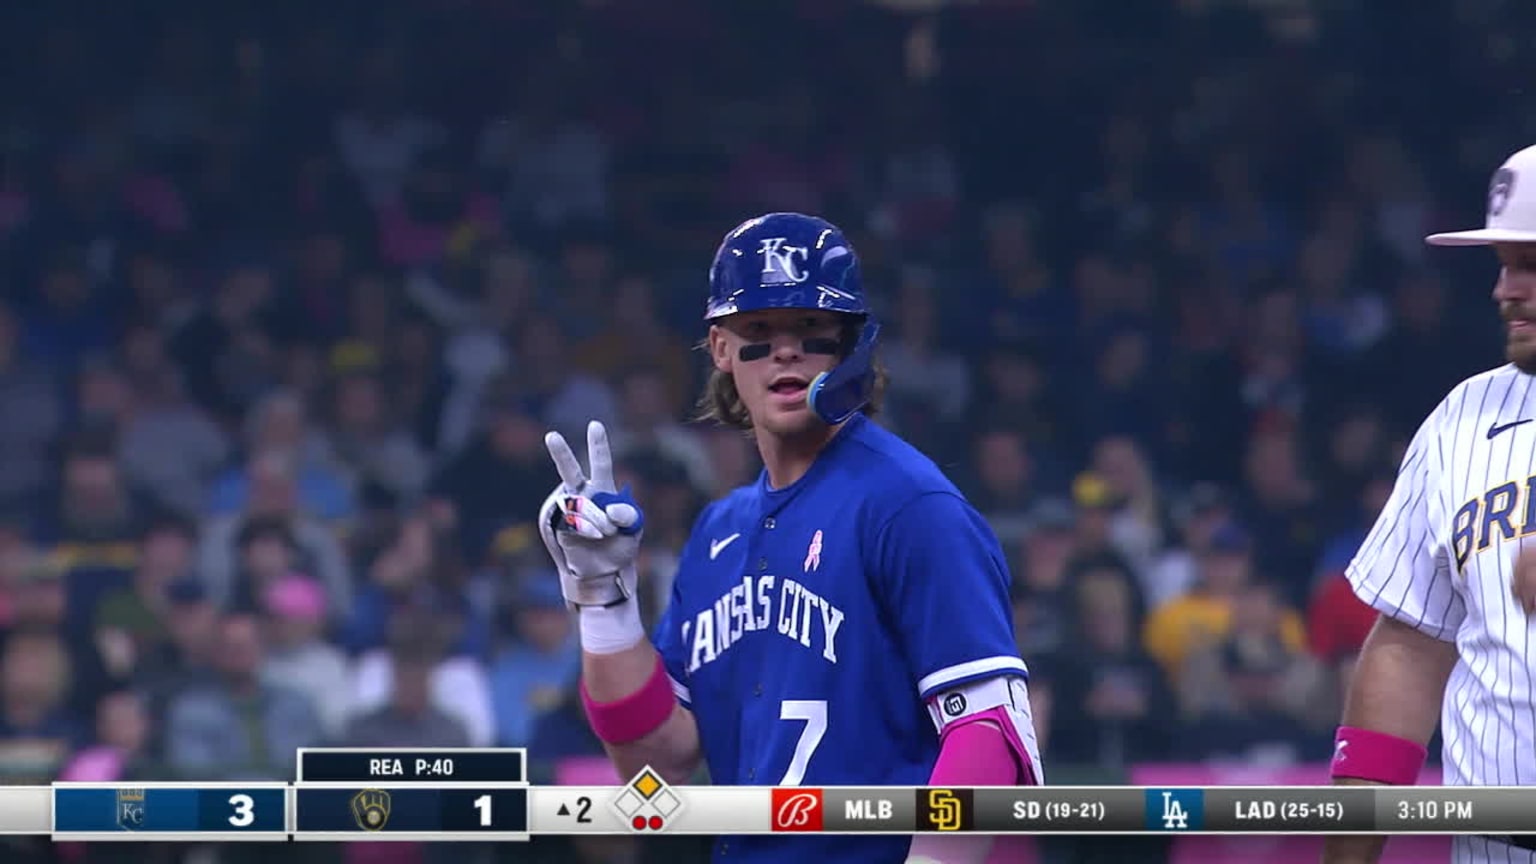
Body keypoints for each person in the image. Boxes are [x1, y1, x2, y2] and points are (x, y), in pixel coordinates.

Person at [536, 212, 1042, 864]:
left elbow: (986, 729)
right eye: (759, 330)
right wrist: (602, 601)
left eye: (811, 330)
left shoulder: (909, 506)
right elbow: (656, 764)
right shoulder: (719, 531)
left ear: (853, 345)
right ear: (720, 348)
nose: (785, 352)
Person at [1324, 144, 1536, 864]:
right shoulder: (1463, 417)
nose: (1506, 289)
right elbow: (1411, 646)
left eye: (1532, 265)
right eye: (1504, 264)